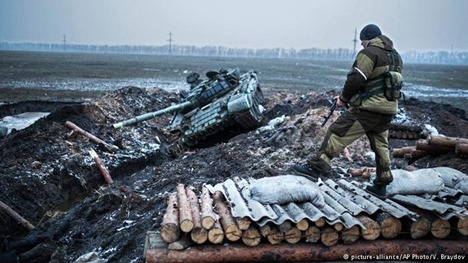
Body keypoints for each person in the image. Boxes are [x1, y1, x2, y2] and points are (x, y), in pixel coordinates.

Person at [291, 24, 403, 198]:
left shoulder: (369, 53)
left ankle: (314, 168)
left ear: (368, 38)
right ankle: (382, 184)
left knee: (337, 132)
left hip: (368, 108)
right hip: (388, 109)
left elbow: (356, 78)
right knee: (381, 145)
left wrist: (343, 99)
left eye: (362, 40)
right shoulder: (396, 56)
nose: (361, 44)